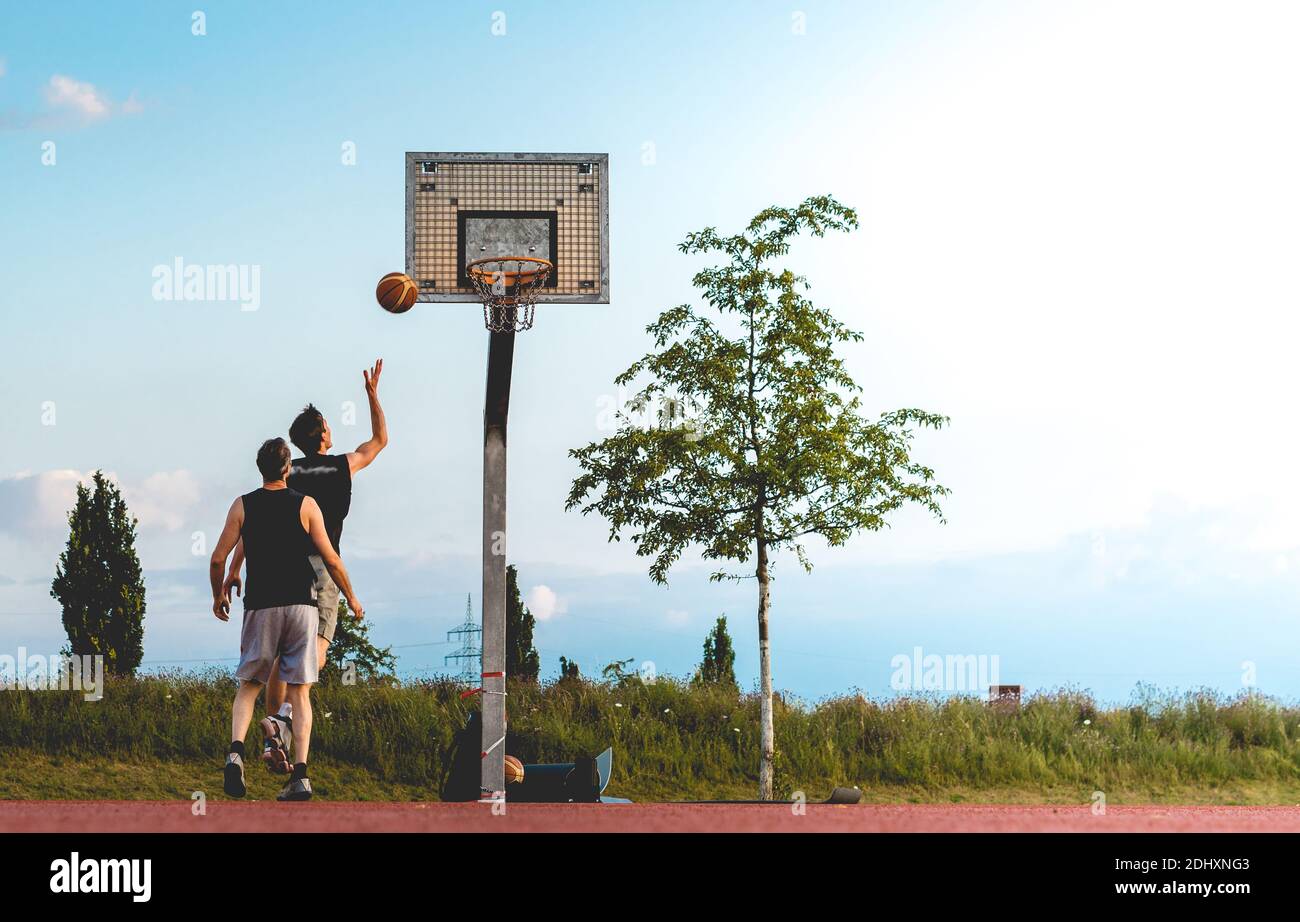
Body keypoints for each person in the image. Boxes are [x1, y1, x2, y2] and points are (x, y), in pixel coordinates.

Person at [224, 360, 388, 773]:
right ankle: (281, 721)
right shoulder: (341, 465)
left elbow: (256, 523)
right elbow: (380, 440)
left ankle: (273, 732)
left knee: (281, 656)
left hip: (285, 570)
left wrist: (234, 566)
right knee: (317, 652)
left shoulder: (287, 472)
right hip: (325, 564)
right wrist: (372, 395)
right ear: (325, 435)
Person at [211, 437, 364, 801]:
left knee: (249, 683)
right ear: (288, 468)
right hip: (301, 605)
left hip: (260, 605)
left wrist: (219, 592)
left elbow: (218, 558)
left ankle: (236, 752)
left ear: (260, 468)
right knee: (300, 692)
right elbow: (331, 559)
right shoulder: (306, 505)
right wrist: (352, 597)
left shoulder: (242, 505)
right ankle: (301, 775)